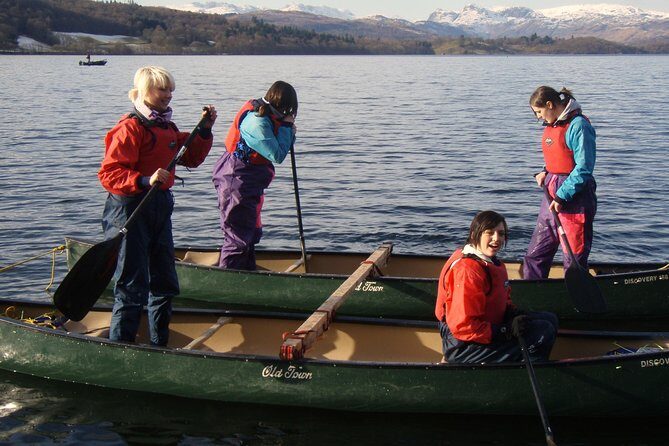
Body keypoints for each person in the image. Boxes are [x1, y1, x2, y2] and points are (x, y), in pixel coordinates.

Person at [98, 66, 217, 346]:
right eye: (162, 89)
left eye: (170, 89)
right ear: (144, 91)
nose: (168, 95)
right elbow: (109, 173)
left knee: (164, 283)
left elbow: (191, 158)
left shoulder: (168, 128)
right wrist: (142, 179)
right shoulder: (130, 127)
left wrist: (205, 130)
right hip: (129, 209)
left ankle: (158, 343)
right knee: (131, 285)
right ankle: (121, 347)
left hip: (159, 207)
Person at [435, 210, 558, 364]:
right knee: (542, 332)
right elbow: (463, 326)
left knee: (550, 319)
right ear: (475, 234)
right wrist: (505, 331)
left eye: (501, 234)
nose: (496, 239)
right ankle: (521, 372)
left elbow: (501, 299)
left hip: (484, 329)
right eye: (489, 233)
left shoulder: (491, 262)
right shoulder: (467, 271)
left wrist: (512, 315)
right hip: (463, 344)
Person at [212, 80, 297, 270]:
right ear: (284, 106)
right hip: (236, 181)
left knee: (250, 232)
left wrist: (288, 129)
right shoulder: (256, 123)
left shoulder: (270, 116)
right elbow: (277, 154)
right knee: (238, 236)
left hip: (250, 182)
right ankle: (229, 280)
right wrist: (286, 129)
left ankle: (246, 272)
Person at [523, 86, 597, 280]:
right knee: (536, 253)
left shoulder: (578, 126)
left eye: (539, 112)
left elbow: (584, 168)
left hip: (575, 198)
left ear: (550, 105)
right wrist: (545, 172)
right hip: (551, 194)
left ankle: (574, 298)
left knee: (573, 256)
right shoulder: (554, 125)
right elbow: (560, 157)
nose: (538, 117)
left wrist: (562, 196)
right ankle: (533, 291)